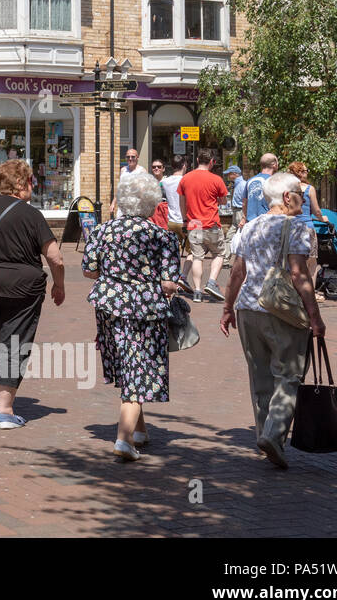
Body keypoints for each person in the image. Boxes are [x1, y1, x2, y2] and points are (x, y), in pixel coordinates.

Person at [220, 171, 327, 469]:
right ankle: (273, 434)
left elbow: (237, 273)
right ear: (286, 197)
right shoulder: (297, 229)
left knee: (260, 377)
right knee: (289, 375)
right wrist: (315, 317)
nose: (304, 200)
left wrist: (228, 308)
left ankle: (265, 436)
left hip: (247, 311)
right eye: (300, 195)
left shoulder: (248, 227)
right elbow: (298, 274)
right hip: (282, 312)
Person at [0, 158, 65, 429]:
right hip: (22, 289)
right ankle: (6, 411)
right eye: (29, 181)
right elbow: (56, 258)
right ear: (19, 184)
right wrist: (58, 284)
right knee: (13, 344)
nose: (32, 186)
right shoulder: (30, 214)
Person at [83, 169, 182, 461]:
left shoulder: (102, 230)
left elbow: (89, 269)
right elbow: (168, 283)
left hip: (109, 304)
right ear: (152, 203)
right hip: (146, 306)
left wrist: (114, 275)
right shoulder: (162, 236)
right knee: (140, 367)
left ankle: (139, 430)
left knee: (128, 362)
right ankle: (124, 439)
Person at [179, 150, 228, 302]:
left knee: (197, 258)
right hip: (211, 223)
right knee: (220, 253)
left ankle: (198, 292)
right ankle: (212, 282)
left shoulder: (185, 178)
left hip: (194, 224)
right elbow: (224, 201)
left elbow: (182, 203)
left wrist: (185, 220)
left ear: (198, 159)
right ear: (212, 161)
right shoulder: (216, 179)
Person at [286, 161, 324, 296]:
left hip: (290, 227)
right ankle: (310, 293)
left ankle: (293, 291)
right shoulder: (309, 189)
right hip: (307, 227)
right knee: (311, 263)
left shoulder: (286, 189)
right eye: (306, 170)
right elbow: (316, 210)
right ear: (300, 172)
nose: (307, 173)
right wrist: (322, 219)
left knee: (292, 263)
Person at [160, 156, 191, 288]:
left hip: (171, 220)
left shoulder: (165, 182)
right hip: (187, 220)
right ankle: (183, 277)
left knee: (173, 252)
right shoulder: (187, 180)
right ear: (184, 165)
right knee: (194, 251)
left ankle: (172, 278)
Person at [107, 149, 143, 219]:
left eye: (133, 157)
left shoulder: (142, 171)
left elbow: (144, 191)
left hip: (135, 205)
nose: (130, 159)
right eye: (128, 157)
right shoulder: (123, 170)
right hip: (122, 205)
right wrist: (113, 203)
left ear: (137, 157)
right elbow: (120, 188)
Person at [243, 153, 279, 222]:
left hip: (251, 224)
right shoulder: (274, 181)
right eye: (277, 162)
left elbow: (244, 203)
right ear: (274, 164)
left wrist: (244, 218)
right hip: (267, 223)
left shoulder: (250, 181)